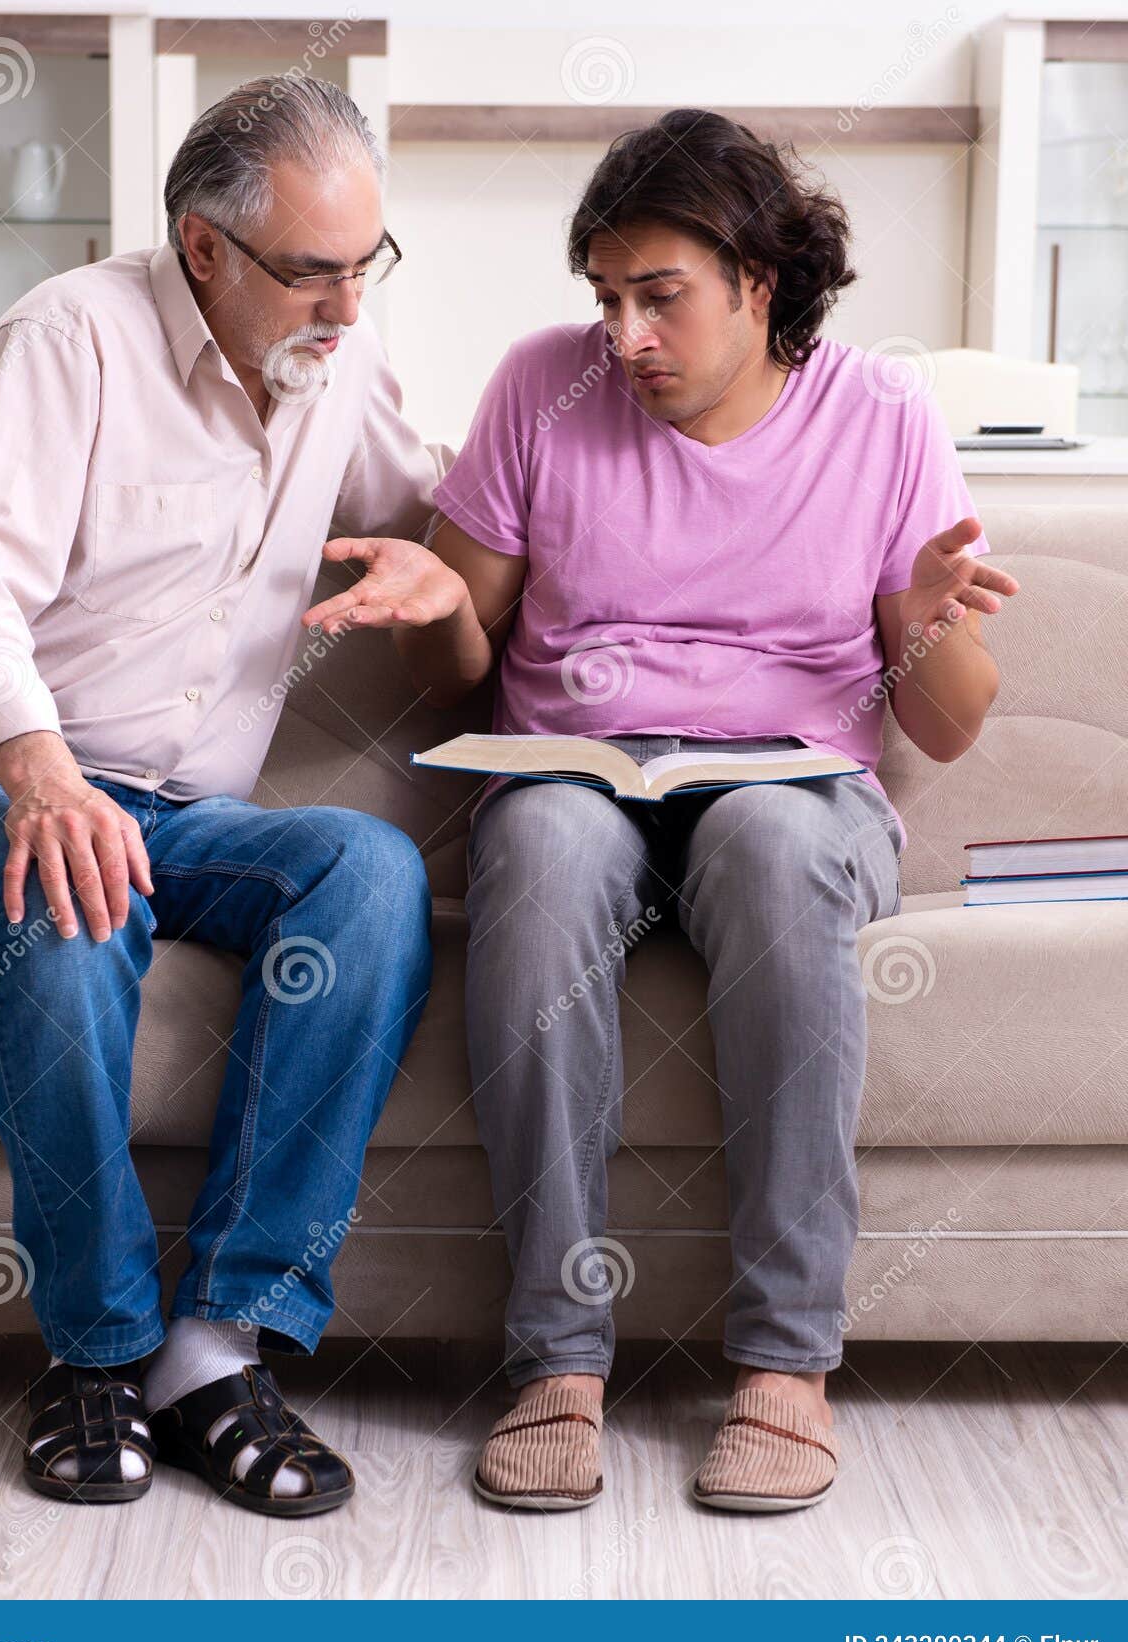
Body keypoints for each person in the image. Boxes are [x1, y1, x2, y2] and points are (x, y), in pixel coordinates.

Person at [301, 108, 1019, 1513]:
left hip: (794, 783)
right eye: (605, 298)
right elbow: (460, 674)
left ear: (759, 282)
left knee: (770, 839)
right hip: (575, 768)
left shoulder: (878, 416)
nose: (625, 335)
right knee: (555, 841)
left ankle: (785, 1366)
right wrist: (438, 611)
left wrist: (924, 634)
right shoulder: (539, 388)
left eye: (660, 297)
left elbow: (941, 723)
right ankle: (558, 1358)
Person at [0, 74, 447, 1516]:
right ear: (202, 250)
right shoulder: (72, 338)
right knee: (61, 883)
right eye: (313, 273)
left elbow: (431, 501)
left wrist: (448, 567)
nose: (348, 309)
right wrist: (40, 773)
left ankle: (214, 1346)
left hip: (184, 815)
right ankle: (97, 1350)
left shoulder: (334, 364)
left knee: (368, 873)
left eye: (366, 267)